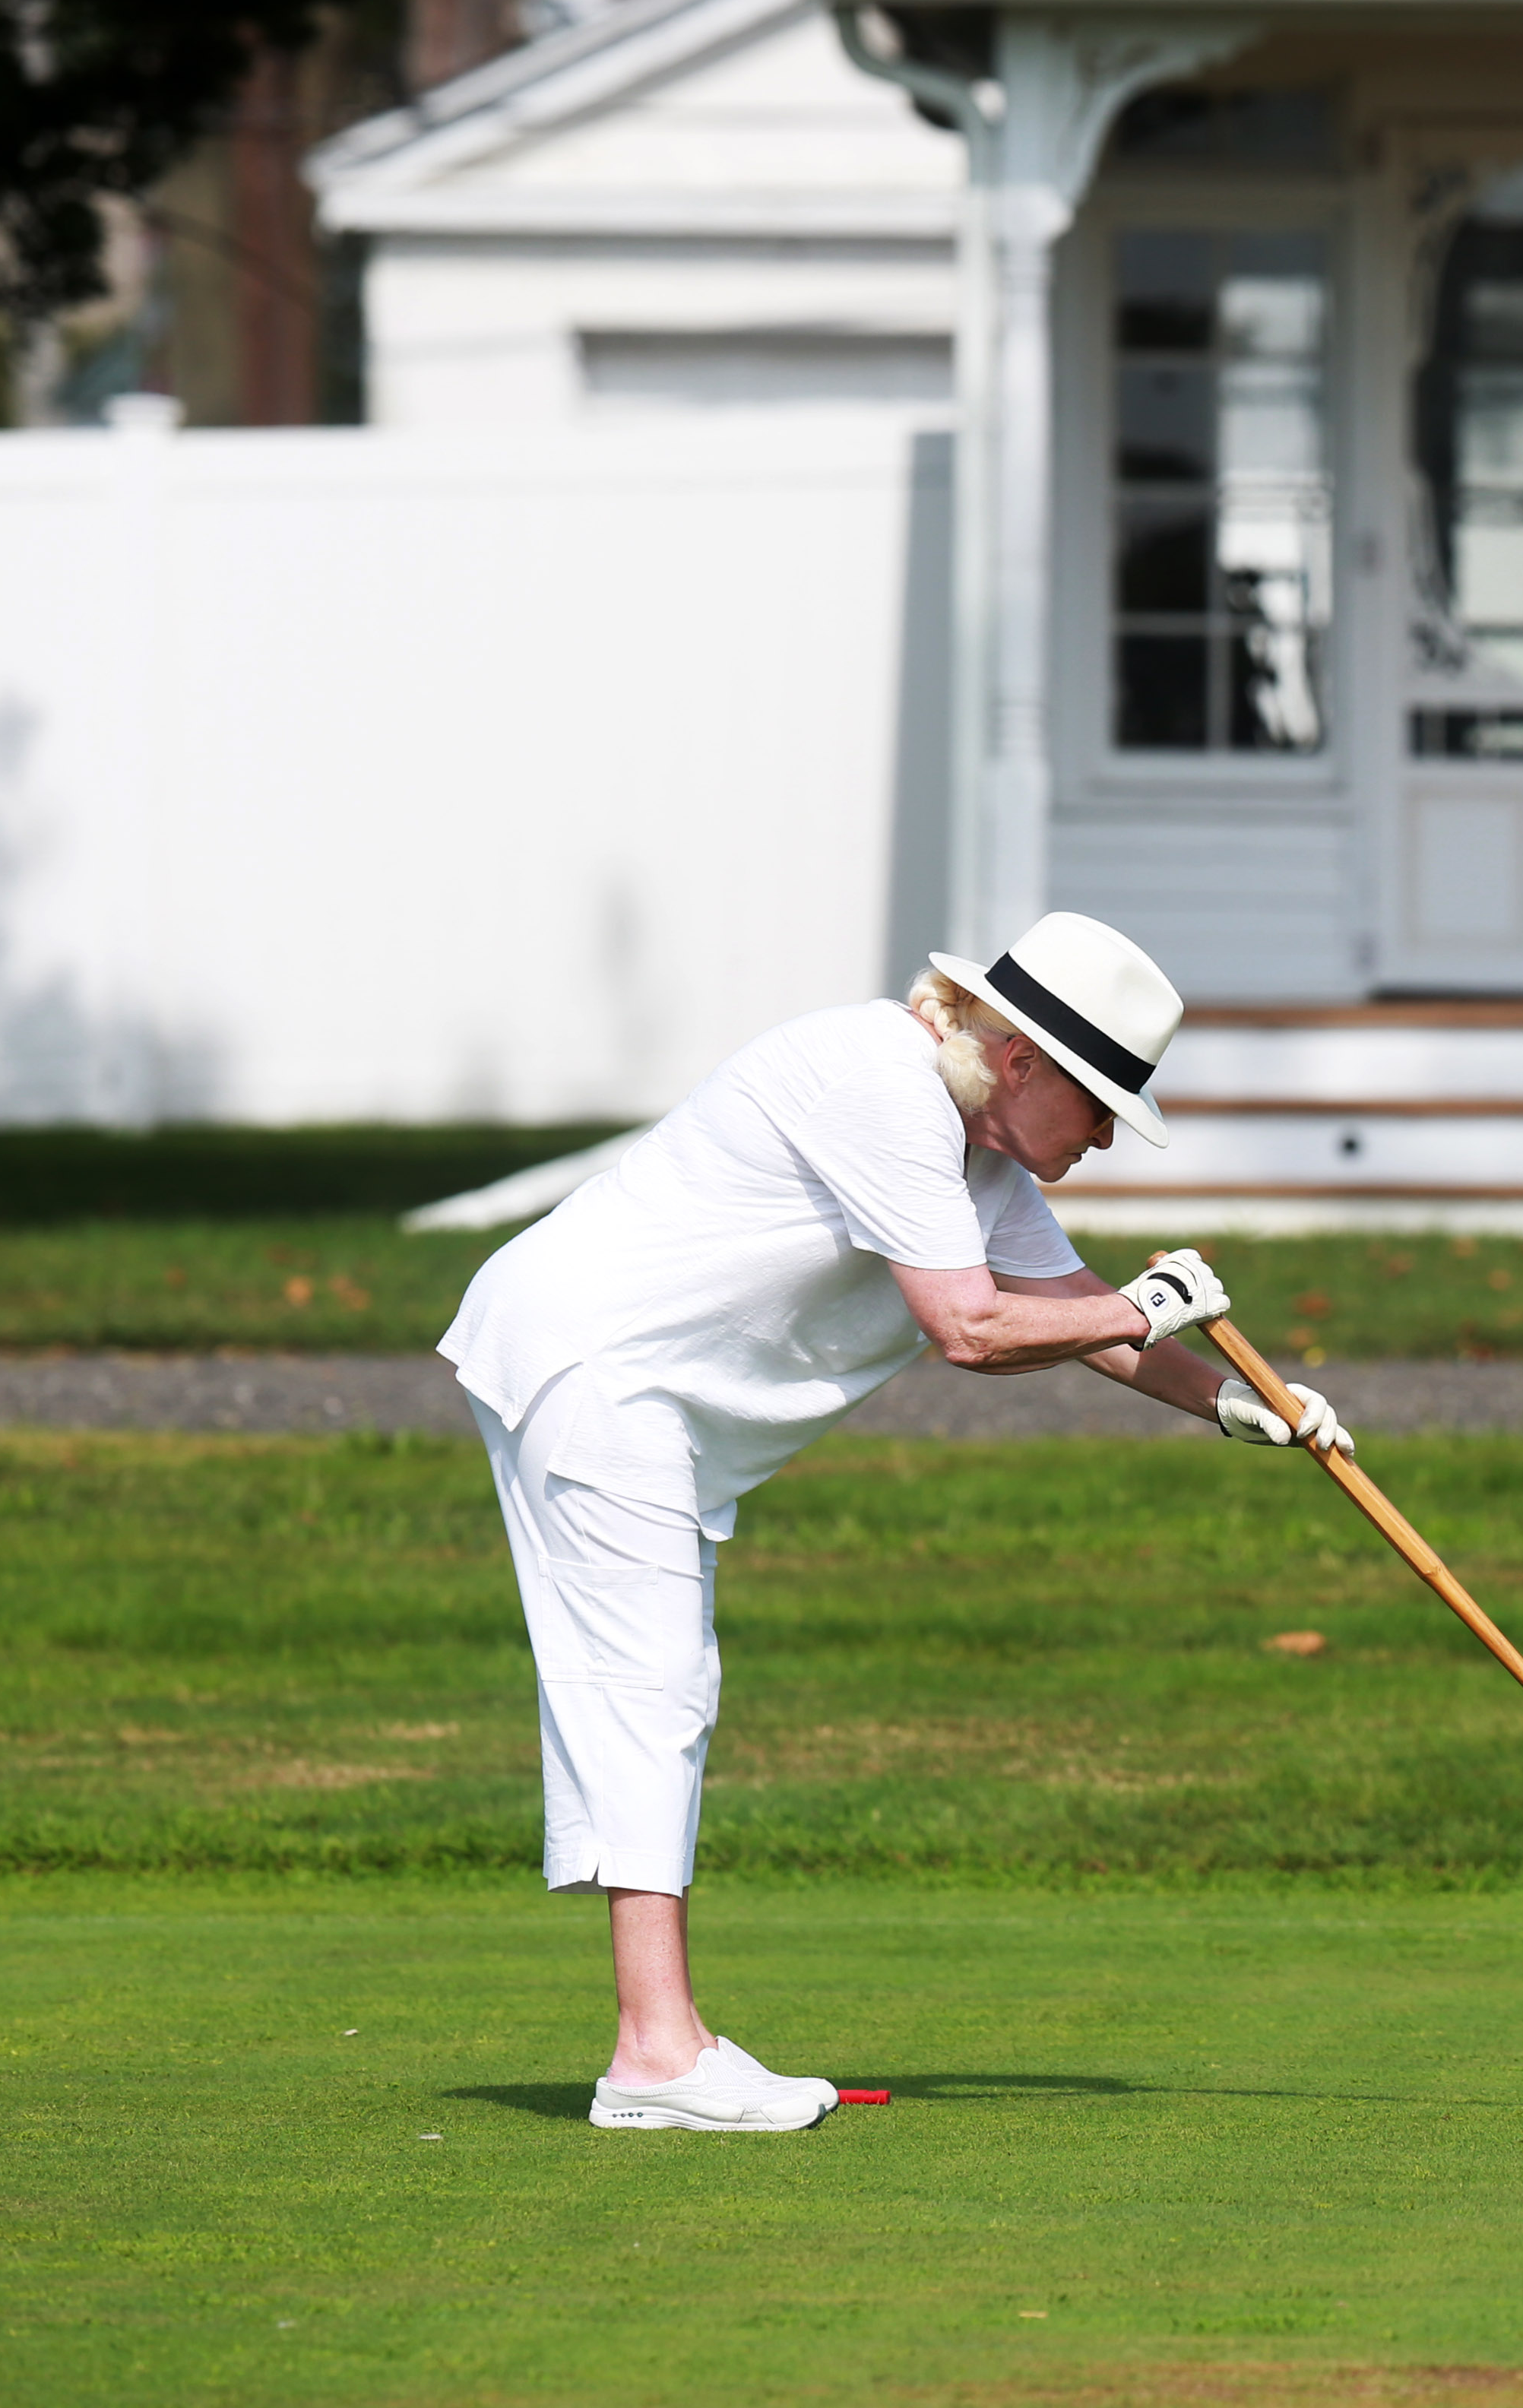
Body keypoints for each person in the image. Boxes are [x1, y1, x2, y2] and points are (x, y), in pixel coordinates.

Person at [442, 913, 1347, 2133]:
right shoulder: (878, 1083)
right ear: (1022, 1063)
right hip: (593, 1363)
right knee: (650, 1682)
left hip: (636, 1391)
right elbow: (971, 1330)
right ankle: (655, 2057)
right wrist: (1144, 1306)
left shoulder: (978, 1154)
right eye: (1095, 1111)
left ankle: (674, 2041)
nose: (1094, 1144)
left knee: (653, 1682)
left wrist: (1243, 1402)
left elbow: (1075, 1313)